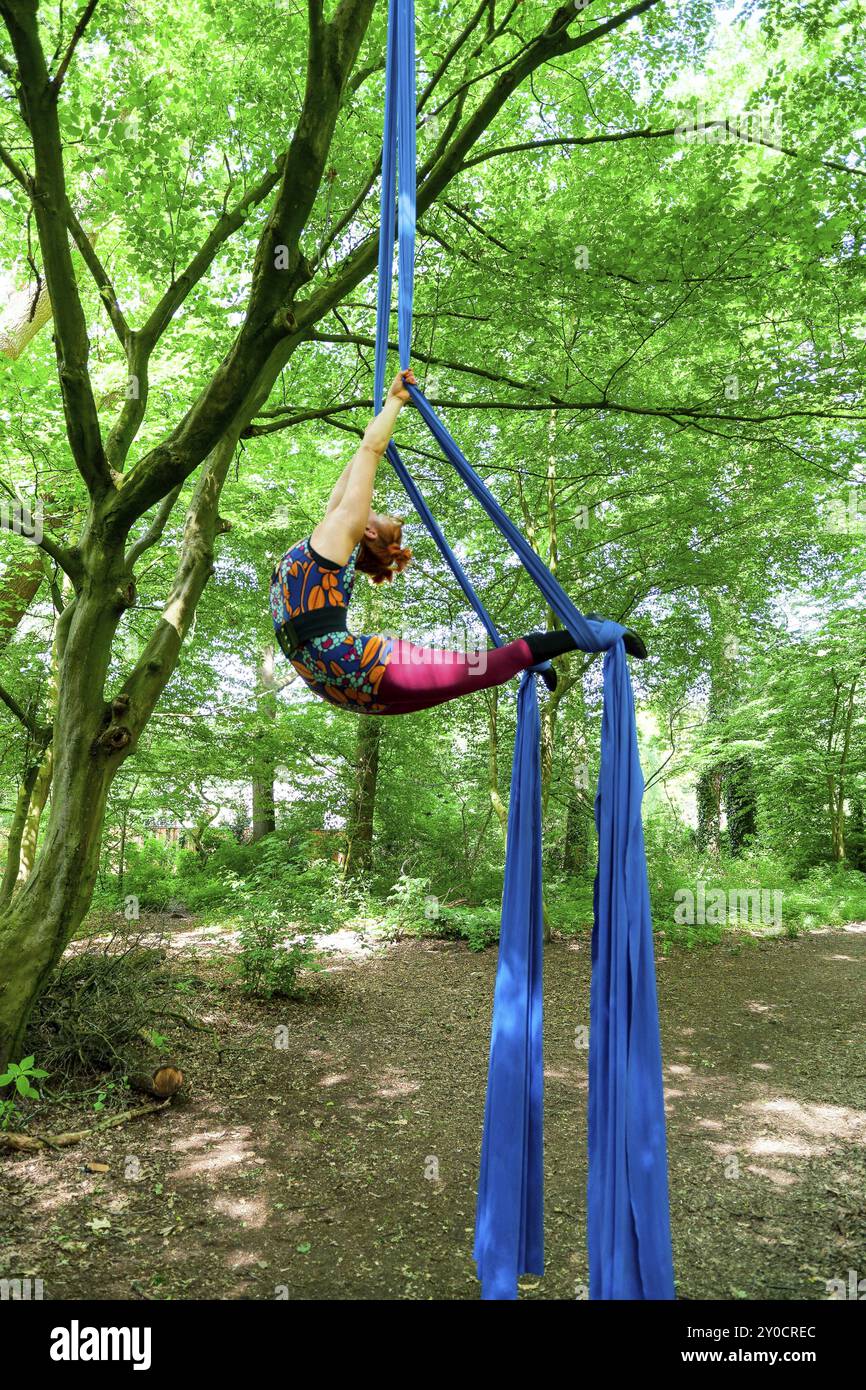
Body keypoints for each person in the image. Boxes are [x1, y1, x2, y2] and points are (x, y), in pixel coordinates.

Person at [269, 370, 645, 714]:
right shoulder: (337, 530)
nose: (372, 505)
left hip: (356, 675)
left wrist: (392, 405)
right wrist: (393, 402)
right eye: (381, 513)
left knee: (486, 669)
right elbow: (367, 452)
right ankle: (544, 648)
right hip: (348, 683)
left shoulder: (335, 534)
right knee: (486, 670)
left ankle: (586, 633)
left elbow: (367, 454)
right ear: (367, 532)